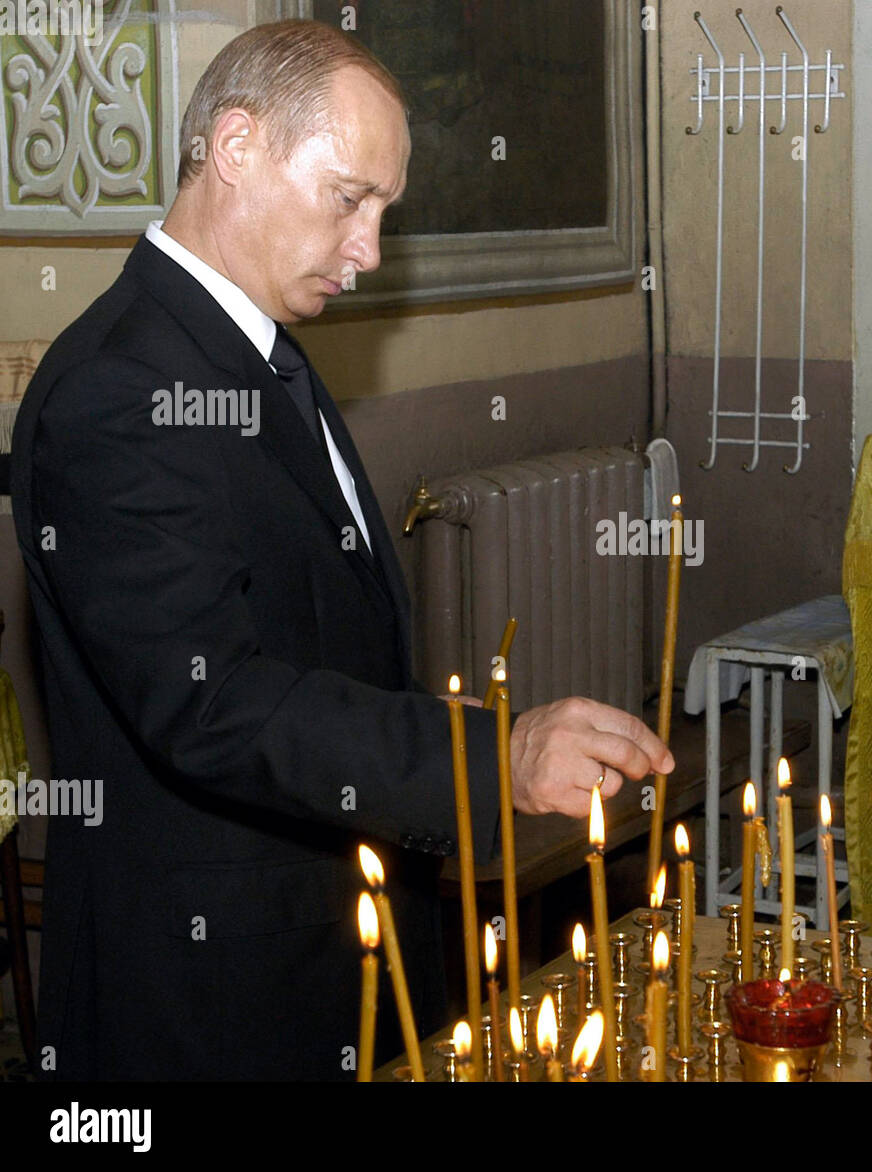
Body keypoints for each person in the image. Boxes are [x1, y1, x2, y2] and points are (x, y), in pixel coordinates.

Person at [9, 19, 672, 1080]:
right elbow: (210, 700)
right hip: (210, 990)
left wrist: (445, 739)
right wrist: (488, 759)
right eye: (349, 198)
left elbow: (309, 646)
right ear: (235, 148)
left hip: (322, 944)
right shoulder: (121, 390)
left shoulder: (251, 346)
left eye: (383, 213)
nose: (368, 250)